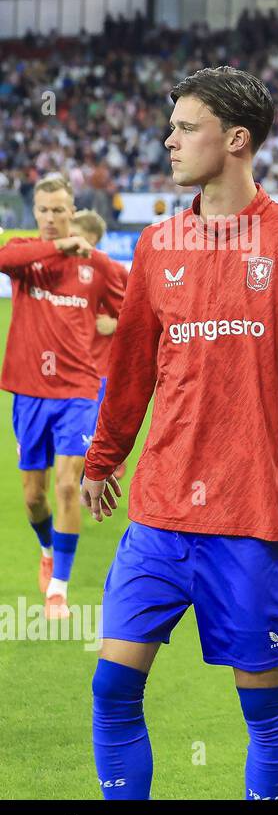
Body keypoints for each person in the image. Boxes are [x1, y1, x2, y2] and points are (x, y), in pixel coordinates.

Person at [81, 66, 278, 800]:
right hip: (158, 514)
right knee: (112, 690)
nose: (168, 139)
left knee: (263, 715)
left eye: (185, 127)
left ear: (235, 140)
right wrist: (104, 457)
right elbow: (133, 366)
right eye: (171, 125)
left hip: (252, 521)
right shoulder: (157, 246)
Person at [1, 174, 123, 619]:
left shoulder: (98, 267)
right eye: (44, 210)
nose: (51, 218)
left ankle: (59, 589)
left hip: (78, 391)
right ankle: (48, 547)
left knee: (69, 485)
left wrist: (117, 326)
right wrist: (58, 247)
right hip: (29, 393)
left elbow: (137, 303)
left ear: (74, 213)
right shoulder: (26, 257)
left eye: (59, 210)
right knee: (34, 497)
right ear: (35, 213)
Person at [70, 209, 130, 481]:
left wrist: (114, 324)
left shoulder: (113, 270)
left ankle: (102, 476)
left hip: (103, 367)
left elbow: (140, 313)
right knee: (76, 429)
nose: (69, 239)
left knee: (99, 428)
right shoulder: (64, 271)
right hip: (72, 366)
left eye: (75, 233)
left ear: (92, 237)